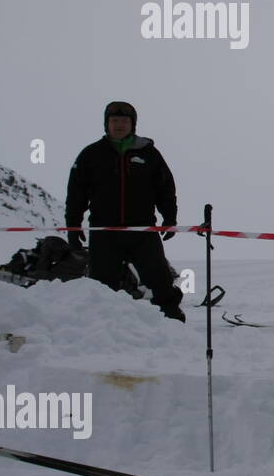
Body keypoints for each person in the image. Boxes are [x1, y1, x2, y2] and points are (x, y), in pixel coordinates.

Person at [65, 101, 185, 321]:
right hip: (104, 231)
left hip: (143, 230)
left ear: (133, 125)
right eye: (114, 121)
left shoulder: (149, 154)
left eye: (124, 121)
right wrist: (73, 226)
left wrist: (169, 217)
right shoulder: (91, 154)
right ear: (106, 124)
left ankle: (172, 316)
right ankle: (103, 323)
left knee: (158, 276)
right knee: (102, 283)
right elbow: (76, 193)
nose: (119, 125)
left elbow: (165, 188)